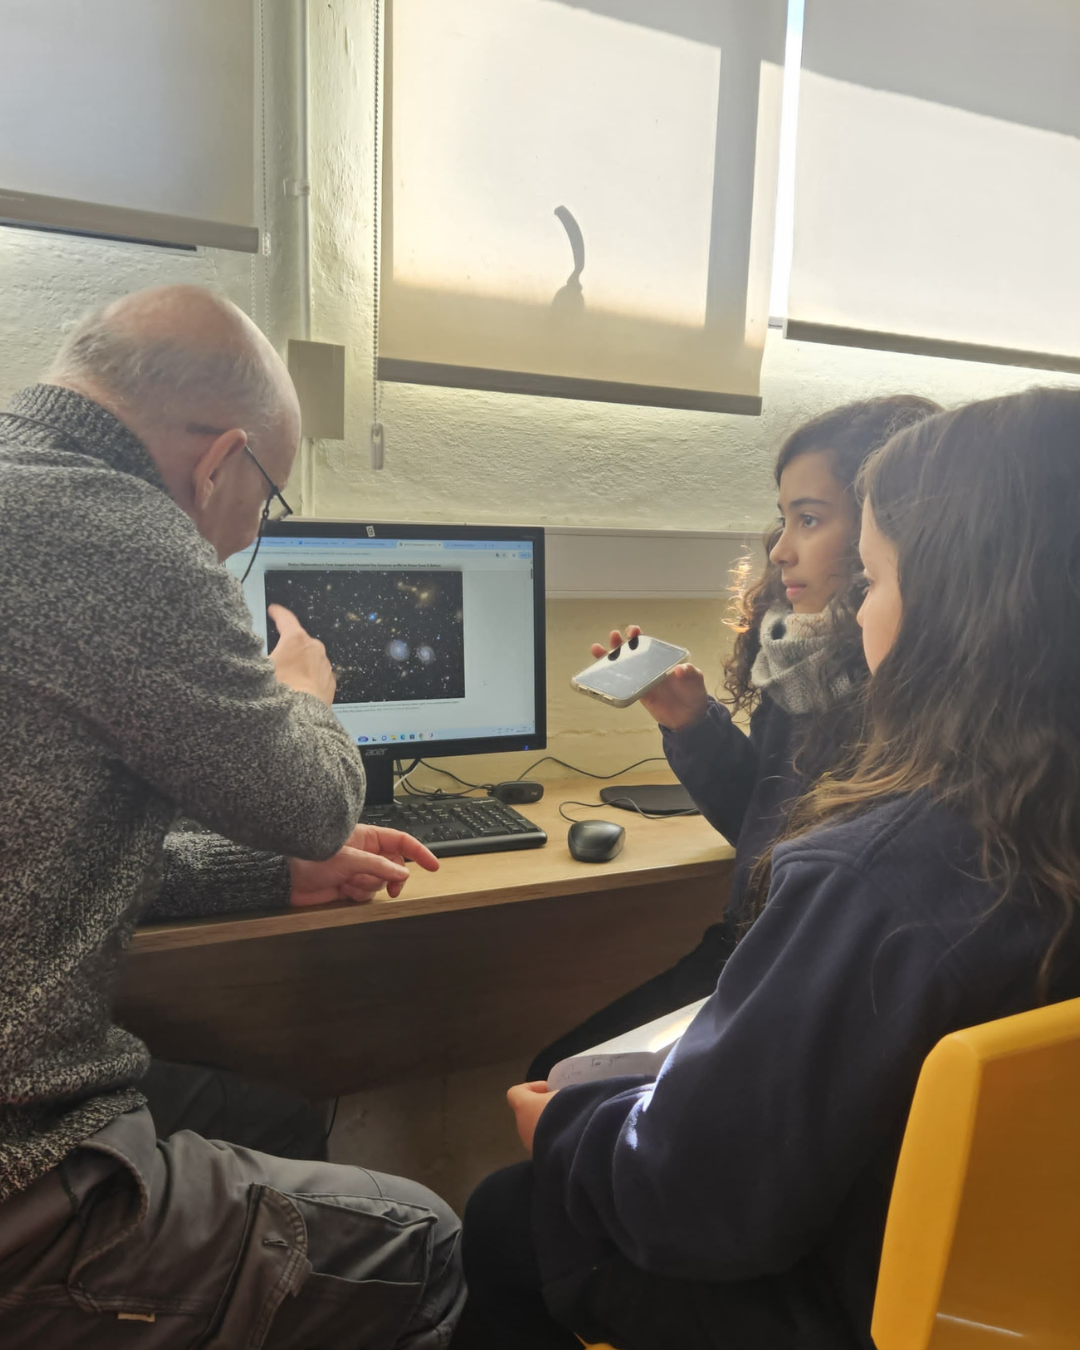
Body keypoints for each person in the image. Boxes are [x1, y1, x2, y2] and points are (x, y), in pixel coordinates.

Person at [457, 386, 1080, 1349]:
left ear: (957, 606)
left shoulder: (872, 875)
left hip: (842, 1304)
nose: (790, 555)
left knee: (510, 1211)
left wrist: (570, 1137)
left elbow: (693, 1202)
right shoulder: (1029, 812)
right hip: (1011, 1288)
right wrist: (694, 727)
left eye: (872, 579)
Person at [0, 286, 464, 1348]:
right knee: (419, 1242)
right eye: (266, 508)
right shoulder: (122, 533)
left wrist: (272, 877)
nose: (234, 546)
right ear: (223, 463)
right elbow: (310, 802)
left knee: (277, 1118)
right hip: (22, 1160)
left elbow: (41, 853)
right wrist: (305, 692)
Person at [529, 396, 940, 1081]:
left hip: (798, 972)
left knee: (558, 1076)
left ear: (888, 528)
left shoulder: (904, 696)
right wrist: (692, 723)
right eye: (782, 520)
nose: (780, 549)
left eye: (809, 519)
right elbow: (761, 830)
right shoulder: (793, 663)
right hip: (749, 944)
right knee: (558, 1070)